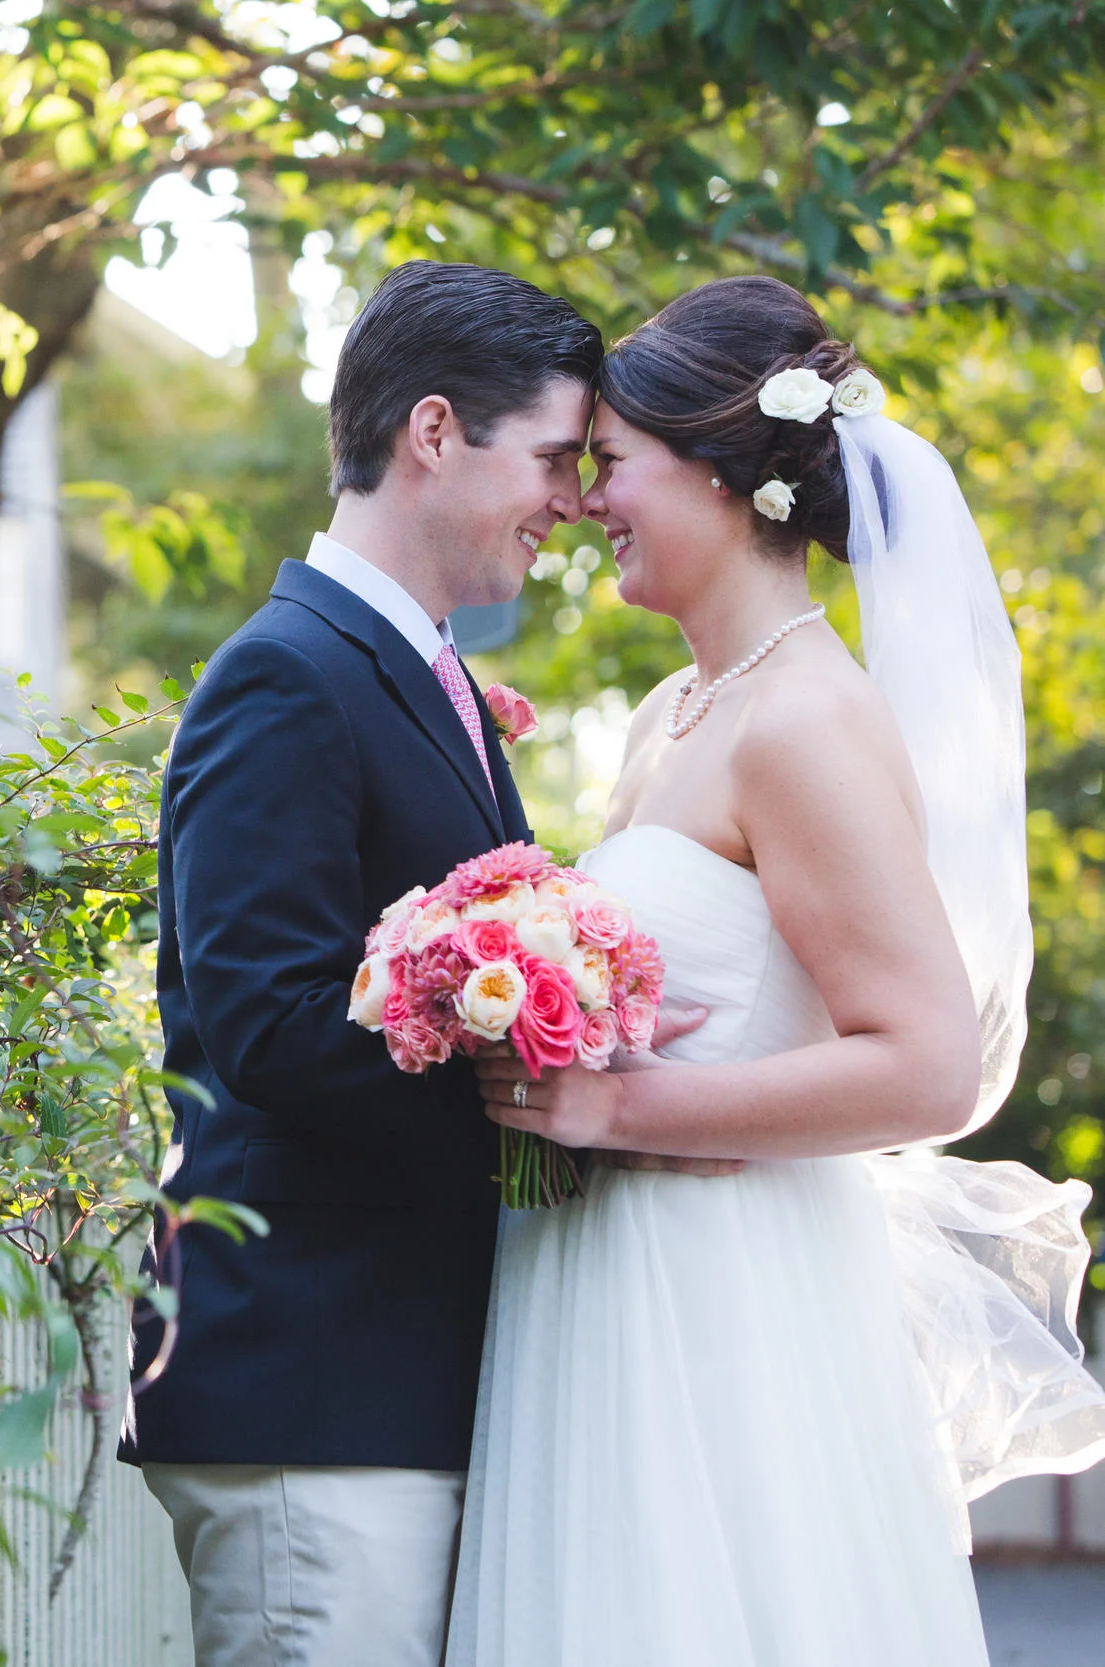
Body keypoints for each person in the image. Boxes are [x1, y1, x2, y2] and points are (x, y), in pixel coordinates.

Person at [449, 274, 1105, 1664]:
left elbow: (926, 1060)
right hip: (604, 1279)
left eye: (612, 464)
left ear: (725, 473)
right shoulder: (673, 711)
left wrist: (619, 1110)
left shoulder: (807, 719)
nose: (584, 500)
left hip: (729, 1298)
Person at [118, 260, 609, 1667]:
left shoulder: (424, 678)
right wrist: (545, 1081)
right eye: (557, 459)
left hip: (397, 1391)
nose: (573, 500)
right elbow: (266, 1017)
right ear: (436, 433)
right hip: (316, 1402)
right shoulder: (287, 673)